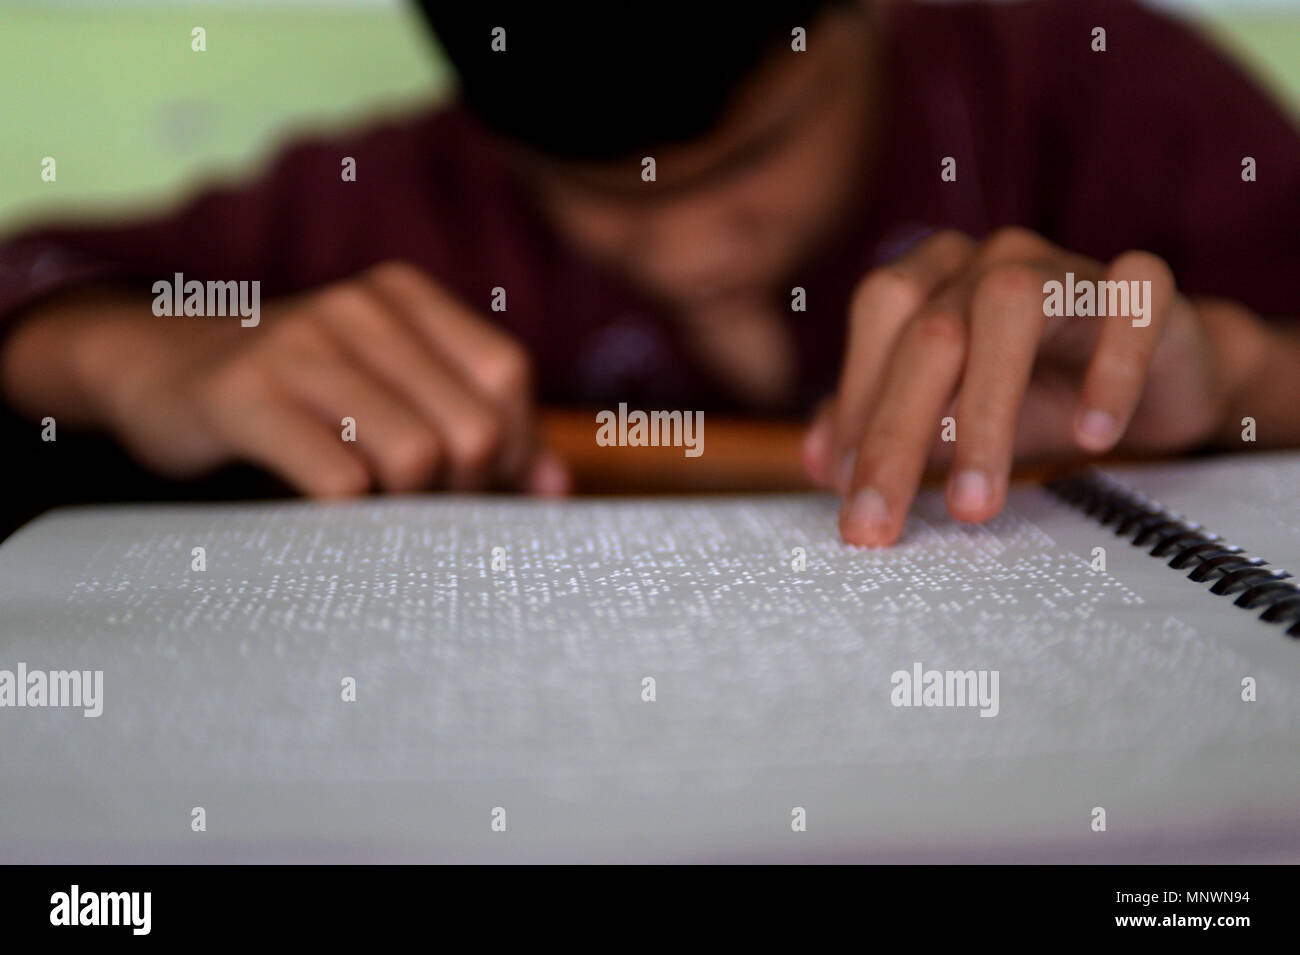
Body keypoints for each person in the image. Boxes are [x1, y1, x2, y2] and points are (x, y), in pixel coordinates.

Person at [1, 0, 1298, 546]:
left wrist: (1246, 383)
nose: (689, 254)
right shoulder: (398, 194)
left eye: (756, 159)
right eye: (595, 199)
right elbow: (40, 280)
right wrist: (124, 354)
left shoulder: (1107, 90)